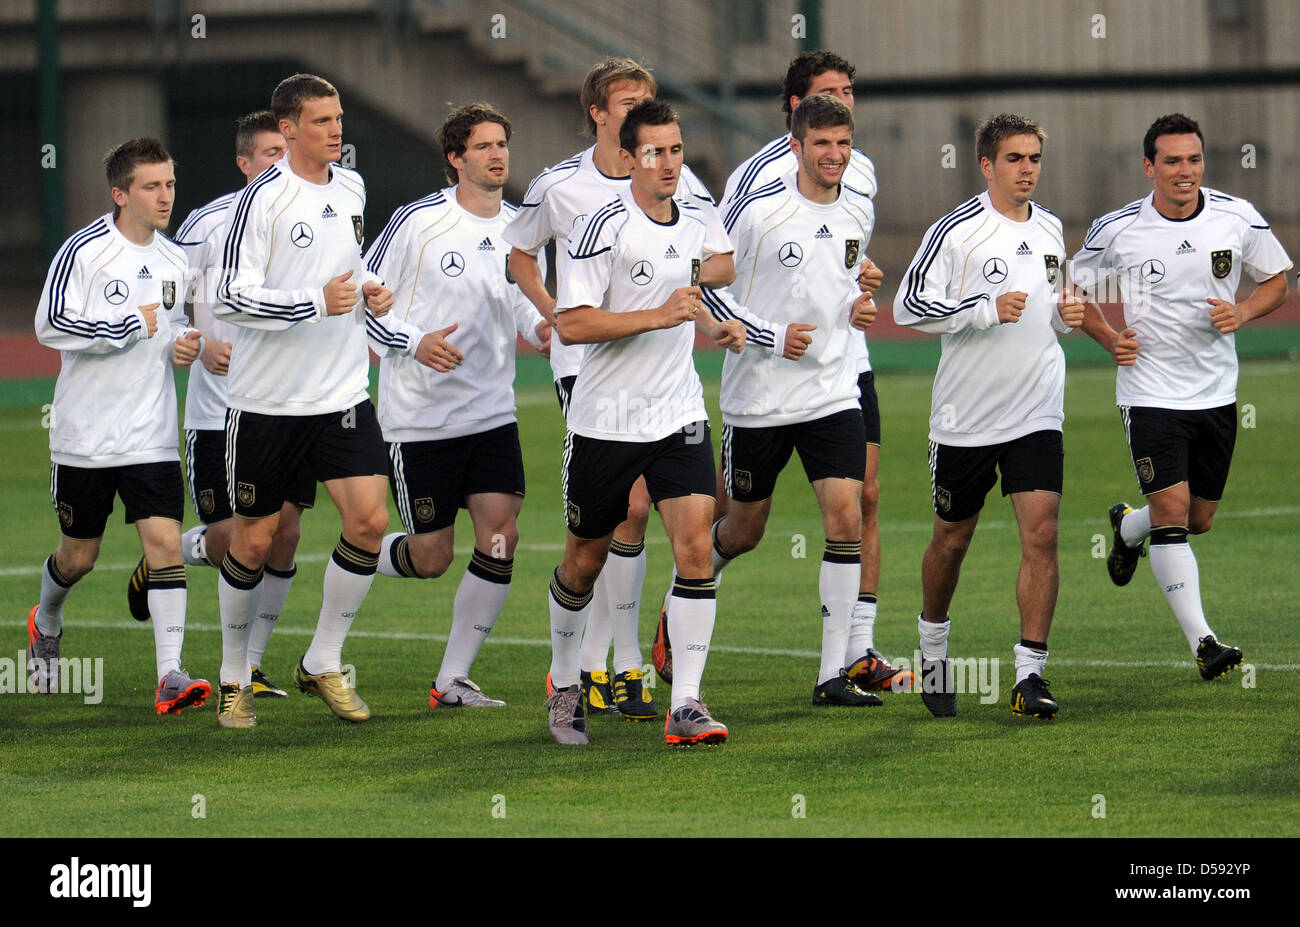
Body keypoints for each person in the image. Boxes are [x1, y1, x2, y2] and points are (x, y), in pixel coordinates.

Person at [505, 58, 750, 722]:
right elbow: (575, 322)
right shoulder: (593, 221)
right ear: (627, 152)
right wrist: (659, 313)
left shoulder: (691, 205)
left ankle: (686, 701)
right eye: (657, 152)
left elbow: (718, 262)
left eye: (675, 149)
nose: (670, 162)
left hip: (676, 412)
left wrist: (711, 316)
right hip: (604, 414)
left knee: (696, 541)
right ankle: (567, 679)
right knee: (585, 556)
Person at [658, 49, 909, 693]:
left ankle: (837, 668)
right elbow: (706, 276)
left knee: (849, 512)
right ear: (796, 133)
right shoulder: (757, 197)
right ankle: (685, 591)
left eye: (844, 135)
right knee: (743, 529)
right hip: (762, 395)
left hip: (833, 386)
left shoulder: (860, 192)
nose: (835, 149)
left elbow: (843, 266)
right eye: (822, 137)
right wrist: (768, 333)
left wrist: (859, 291)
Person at [1072, 113, 1291, 682]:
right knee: (1173, 512)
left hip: (1216, 392)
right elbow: (1069, 290)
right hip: (1149, 393)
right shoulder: (1118, 229)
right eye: (1171, 161)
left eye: (1193, 159)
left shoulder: (1236, 217)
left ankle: (1127, 528)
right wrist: (1108, 337)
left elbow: (1277, 281)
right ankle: (1205, 644)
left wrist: (1241, 311)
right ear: (1149, 167)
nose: (1184, 171)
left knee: (1199, 519)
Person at [213, 73, 394, 728]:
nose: (336, 130)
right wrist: (315, 302)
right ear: (286, 129)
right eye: (321, 121)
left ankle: (323, 657)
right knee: (256, 541)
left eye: (339, 118)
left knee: (369, 521)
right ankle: (234, 676)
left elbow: (347, 260)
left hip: (342, 392)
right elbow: (230, 297)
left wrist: (371, 285)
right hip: (266, 402)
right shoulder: (261, 200)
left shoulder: (352, 186)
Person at [893, 113, 1084, 719]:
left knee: (1044, 532)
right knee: (952, 541)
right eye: (1014, 159)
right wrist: (982, 306)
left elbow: (1050, 309)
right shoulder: (958, 231)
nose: (1026, 170)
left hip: (1037, 409)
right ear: (986, 165)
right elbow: (908, 304)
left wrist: (1066, 315)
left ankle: (1031, 676)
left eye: (1033, 159)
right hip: (966, 418)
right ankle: (932, 649)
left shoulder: (1052, 229)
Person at [365, 102, 549, 709]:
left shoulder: (523, 228)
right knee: (433, 556)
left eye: (502, 144)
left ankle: (452, 679)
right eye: (483, 146)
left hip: (492, 413)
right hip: (419, 417)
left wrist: (543, 329)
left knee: (501, 537)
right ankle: (366, 554)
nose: (497, 155)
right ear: (455, 158)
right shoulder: (417, 223)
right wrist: (416, 343)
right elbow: (368, 304)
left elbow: (527, 298)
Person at [31, 137, 210, 714]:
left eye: (171, 184)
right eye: (151, 186)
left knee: (164, 545)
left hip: (150, 433)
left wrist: (183, 345)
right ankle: (48, 617)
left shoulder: (176, 259)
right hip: (85, 436)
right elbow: (50, 325)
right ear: (120, 193)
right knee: (78, 557)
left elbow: (174, 328)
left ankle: (170, 676)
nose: (166, 196)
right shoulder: (84, 251)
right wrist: (128, 324)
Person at [169, 110, 308, 700]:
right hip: (216, 413)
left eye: (286, 149)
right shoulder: (206, 225)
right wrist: (198, 348)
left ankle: (250, 664)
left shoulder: (311, 211)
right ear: (244, 164)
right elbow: (168, 299)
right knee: (233, 538)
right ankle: (172, 550)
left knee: (285, 533)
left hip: (289, 408)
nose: (279, 161)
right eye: (269, 153)